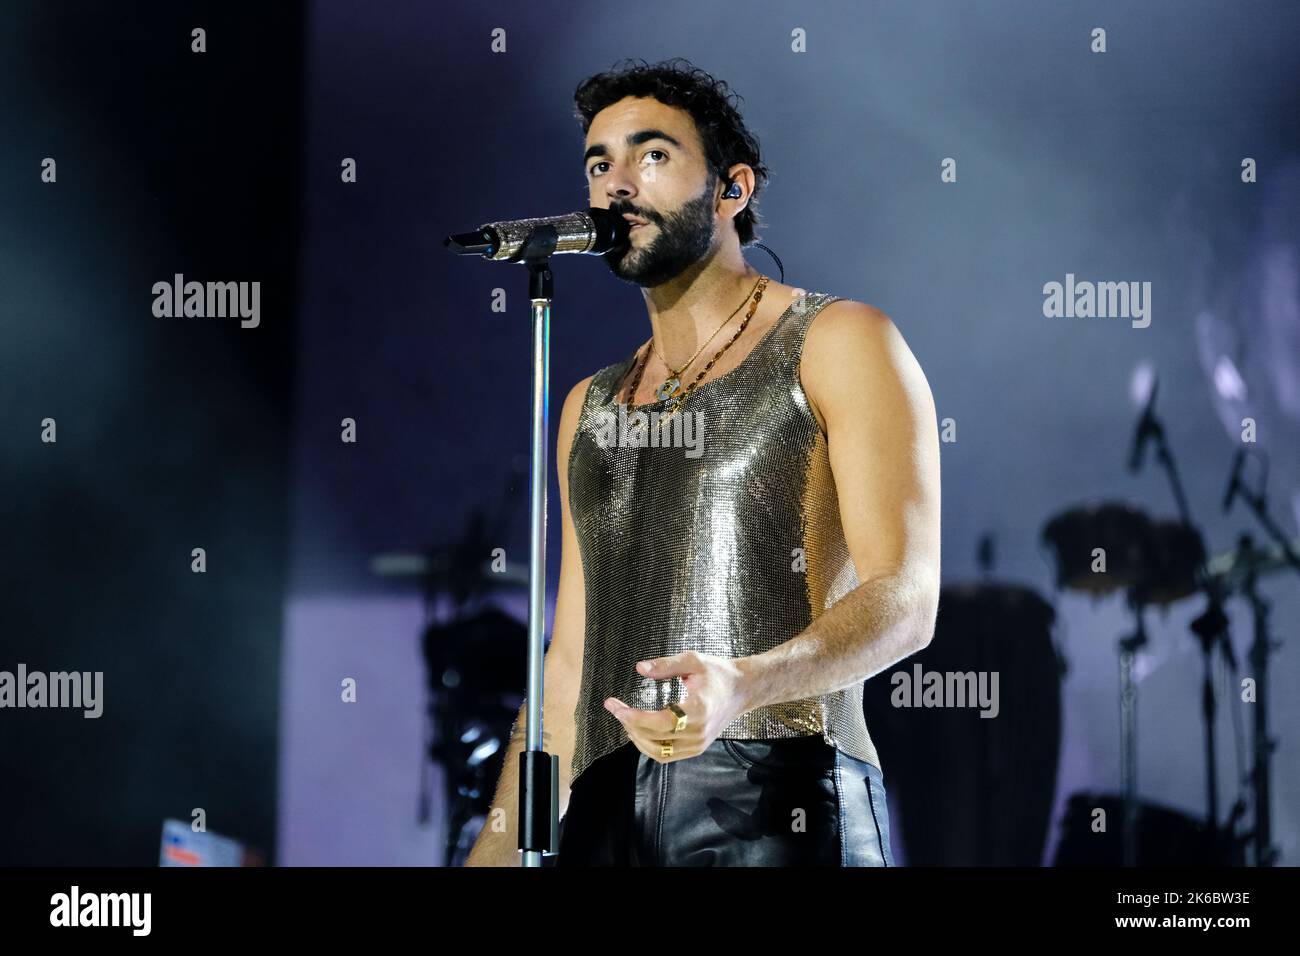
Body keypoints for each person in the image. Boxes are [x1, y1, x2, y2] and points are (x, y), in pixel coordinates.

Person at [466, 57, 940, 867]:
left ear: (733, 189)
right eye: (598, 163)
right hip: (606, 816)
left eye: (652, 155)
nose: (617, 183)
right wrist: (496, 848)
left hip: (781, 796)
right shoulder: (589, 406)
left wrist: (743, 684)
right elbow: (569, 666)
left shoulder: (839, 341)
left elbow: (906, 600)